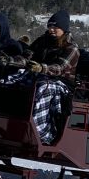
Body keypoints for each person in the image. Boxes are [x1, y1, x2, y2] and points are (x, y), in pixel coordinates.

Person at [18, 10, 80, 143]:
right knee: (15, 82)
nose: (51, 30)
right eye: (50, 26)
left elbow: (60, 68)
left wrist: (41, 68)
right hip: (39, 76)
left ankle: (40, 132)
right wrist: (14, 61)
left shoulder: (71, 48)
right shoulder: (42, 41)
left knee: (44, 87)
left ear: (63, 28)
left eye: (55, 27)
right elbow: (27, 55)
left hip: (61, 83)